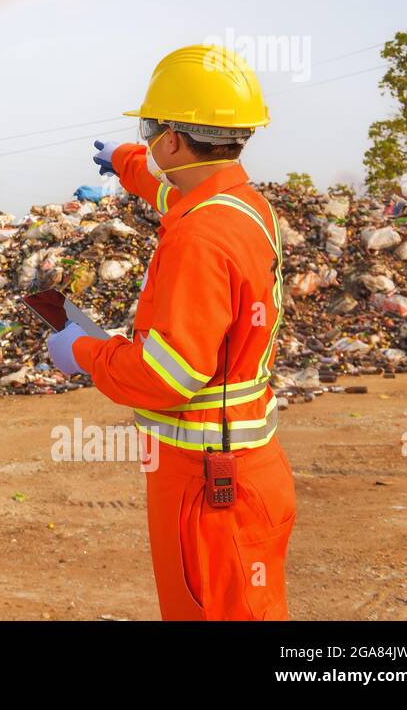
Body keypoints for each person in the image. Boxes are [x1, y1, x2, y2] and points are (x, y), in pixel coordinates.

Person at [46, 44, 297, 620]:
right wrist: (127, 159)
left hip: (210, 489)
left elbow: (167, 375)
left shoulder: (198, 238)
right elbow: (167, 190)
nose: (150, 143)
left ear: (176, 140)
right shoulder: (241, 205)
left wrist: (83, 350)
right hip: (244, 474)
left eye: (151, 130)